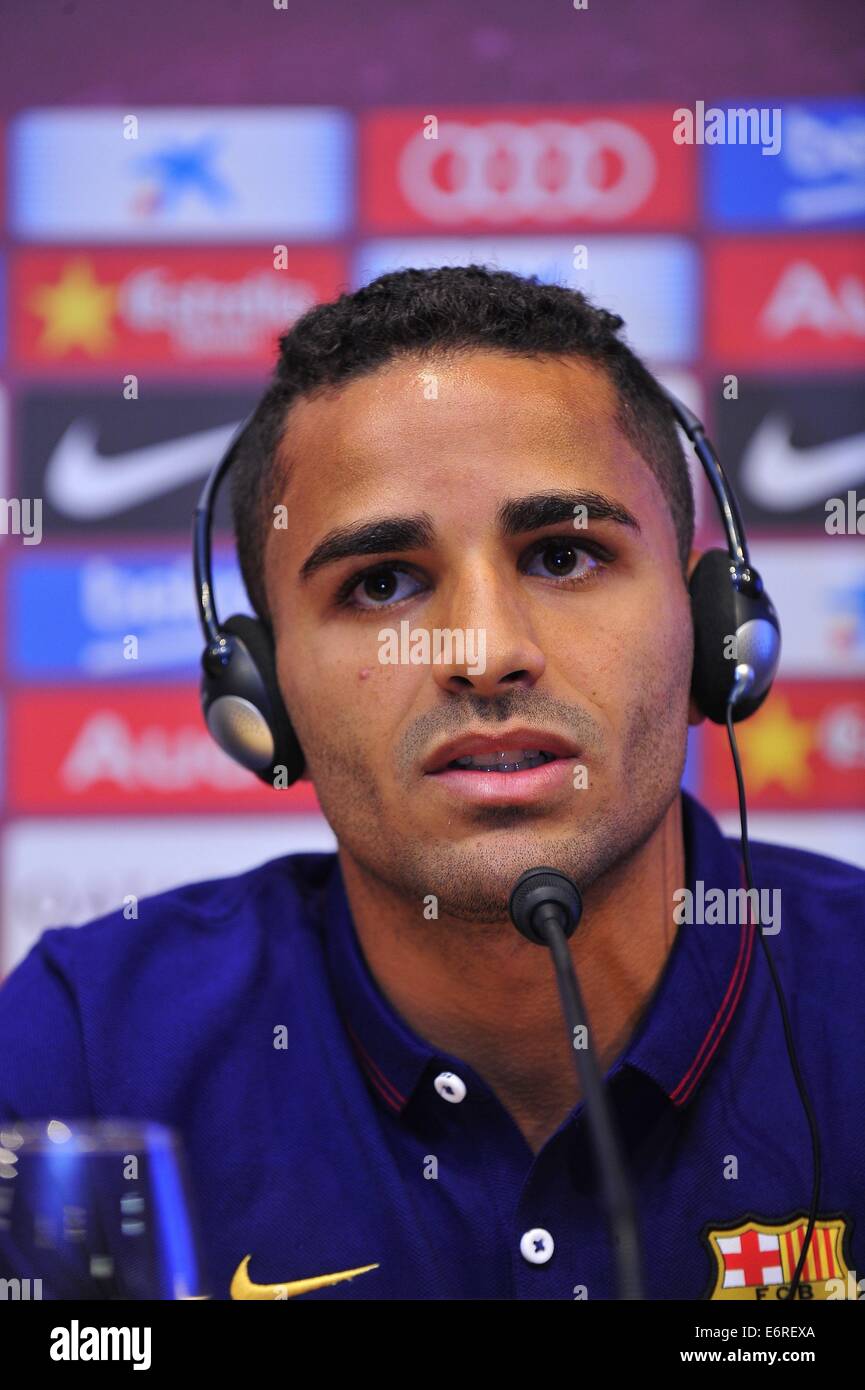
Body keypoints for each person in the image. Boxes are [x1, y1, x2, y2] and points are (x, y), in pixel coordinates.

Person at [2, 266, 863, 1301]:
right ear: (266, 699)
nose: (486, 652)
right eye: (382, 583)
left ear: (711, 644)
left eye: (562, 555)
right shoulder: (89, 1050)